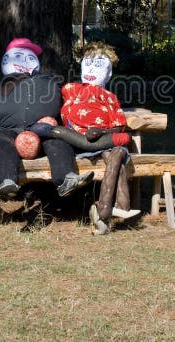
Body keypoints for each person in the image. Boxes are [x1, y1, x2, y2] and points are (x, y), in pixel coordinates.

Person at [0, 38, 94, 200]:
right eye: (17, 56)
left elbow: (70, 97)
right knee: (0, 144)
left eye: (29, 58)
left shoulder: (48, 80)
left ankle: (67, 178)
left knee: (58, 142)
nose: (23, 61)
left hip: (41, 128)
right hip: (7, 130)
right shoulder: (1, 82)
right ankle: (7, 182)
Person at [56, 42, 140, 235]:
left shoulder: (110, 97)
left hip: (105, 142)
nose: (92, 69)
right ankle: (119, 207)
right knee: (116, 154)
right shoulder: (71, 89)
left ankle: (103, 213)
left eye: (99, 65)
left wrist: (101, 132)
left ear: (108, 73)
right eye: (88, 63)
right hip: (79, 142)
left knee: (116, 152)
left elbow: (119, 125)